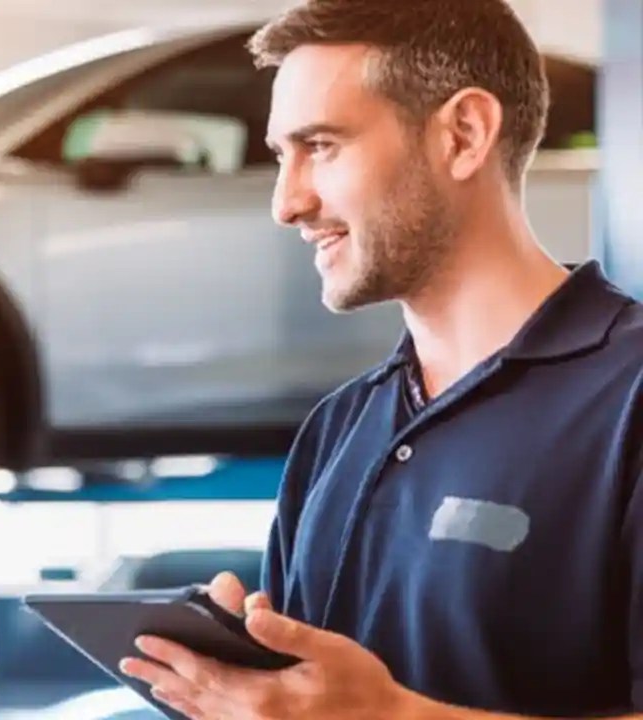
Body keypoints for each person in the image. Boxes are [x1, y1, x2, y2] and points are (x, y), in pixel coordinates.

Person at [120, 0, 643, 718]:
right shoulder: (338, 431)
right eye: (282, 156)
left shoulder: (630, 401)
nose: (287, 202)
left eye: (322, 146)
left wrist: (392, 715)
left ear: (464, 134)